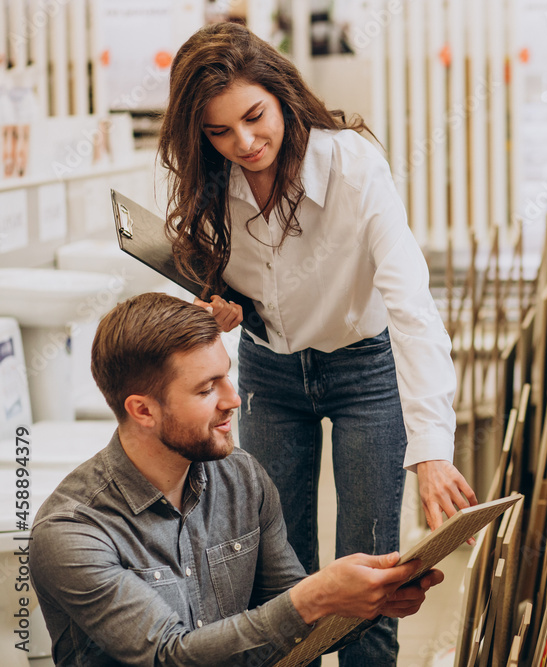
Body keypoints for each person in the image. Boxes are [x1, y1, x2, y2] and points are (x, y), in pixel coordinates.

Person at [157, 21, 477, 666]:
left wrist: (433, 448)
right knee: (280, 582)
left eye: (254, 118)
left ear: (280, 94)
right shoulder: (210, 180)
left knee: (375, 581)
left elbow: (411, 304)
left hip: (365, 371)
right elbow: (244, 286)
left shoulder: (353, 167)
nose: (243, 143)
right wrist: (222, 306)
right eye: (219, 131)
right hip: (269, 375)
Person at [29, 293, 443, 666]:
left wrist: (370, 602)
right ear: (143, 410)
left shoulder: (241, 477)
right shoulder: (72, 533)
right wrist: (314, 597)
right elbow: (171, 657)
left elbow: (289, 626)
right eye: (207, 389)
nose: (234, 399)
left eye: (227, 376)